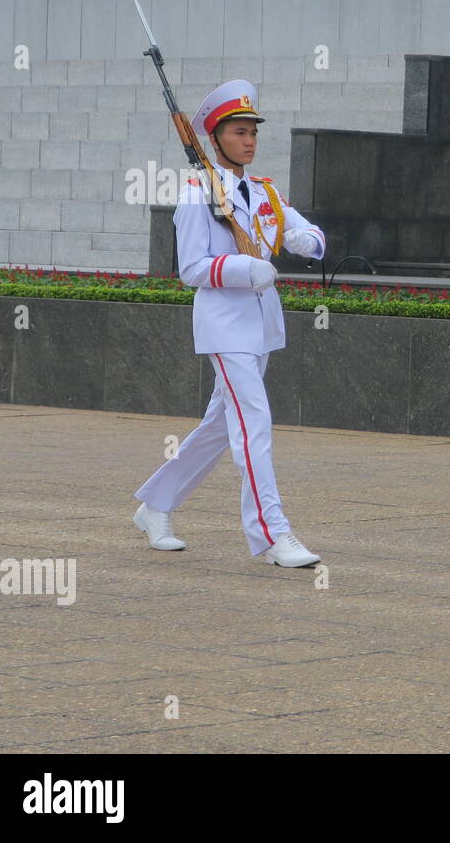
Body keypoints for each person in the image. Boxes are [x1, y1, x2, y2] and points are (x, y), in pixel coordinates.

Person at [132, 80, 326, 568]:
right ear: (215, 140)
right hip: (224, 327)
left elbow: (305, 230)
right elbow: (192, 269)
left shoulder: (263, 192)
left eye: (252, 133)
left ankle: (155, 506)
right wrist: (244, 269)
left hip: (261, 326)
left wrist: (305, 239)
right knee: (253, 423)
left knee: (221, 425)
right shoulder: (198, 193)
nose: (249, 141)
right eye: (239, 133)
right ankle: (272, 534)